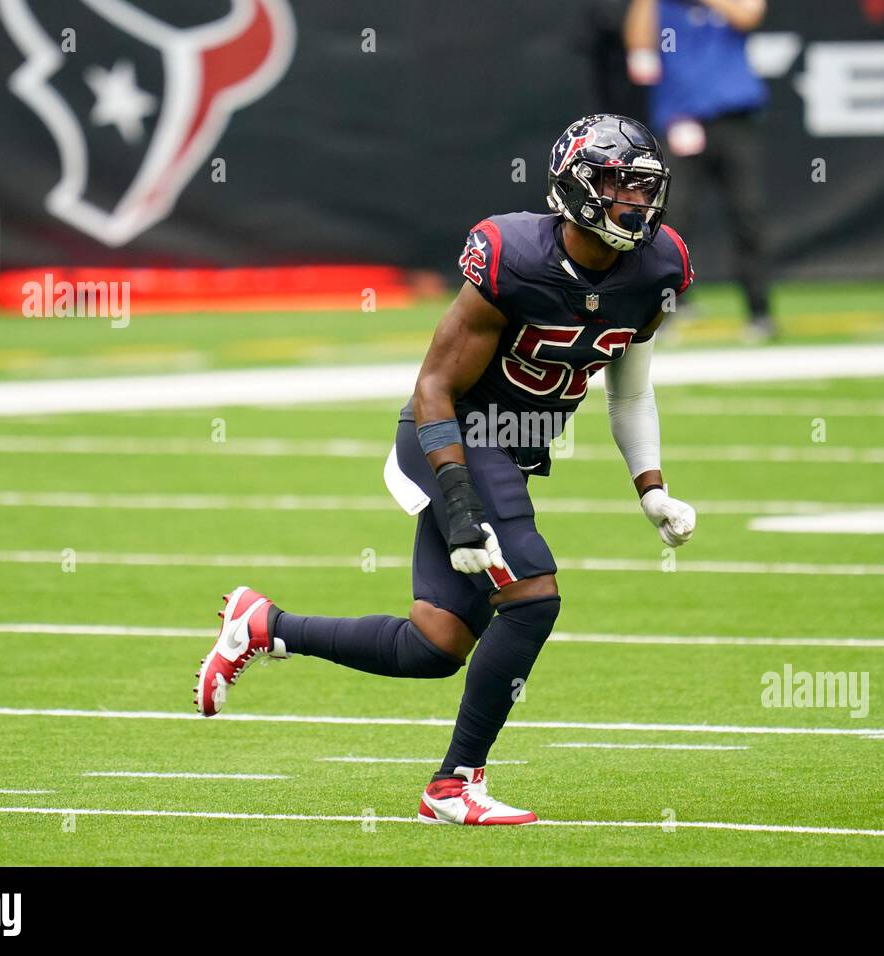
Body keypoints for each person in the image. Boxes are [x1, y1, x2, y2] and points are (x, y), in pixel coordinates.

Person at [194, 114, 698, 826]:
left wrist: (651, 487)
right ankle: (453, 785)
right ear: (578, 186)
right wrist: (458, 504)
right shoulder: (513, 255)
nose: (636, 202)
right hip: (453, 437)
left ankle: (263, 624)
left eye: (645, 188)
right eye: (620, 185)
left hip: (511, 452)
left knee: (435, 645)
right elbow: (434, 386)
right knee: (532, 598)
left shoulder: (657, 266)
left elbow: (632, 385)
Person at [625, 0, 775, 341]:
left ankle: (760, 311)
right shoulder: (661, 7)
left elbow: (749, 15)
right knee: (667, 219)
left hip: (733, 118)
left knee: (747, 214)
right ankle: (666, 312)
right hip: (681, 119)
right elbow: (637, 46)